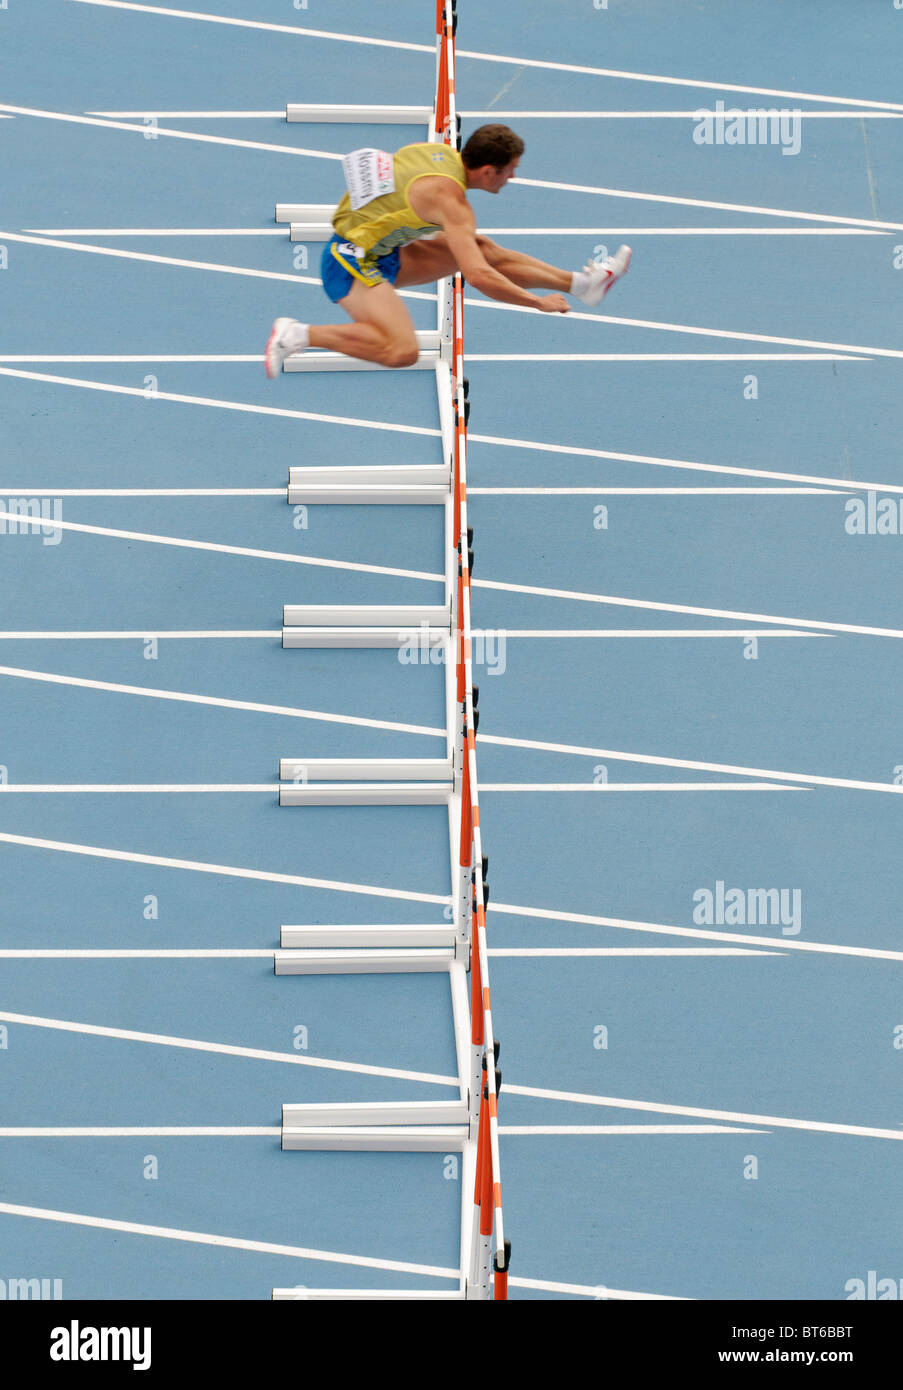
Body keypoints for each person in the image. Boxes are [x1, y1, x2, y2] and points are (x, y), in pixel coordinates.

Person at [265, 123, 630, 376]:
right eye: (509, 171)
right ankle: (297, 334)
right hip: (349, 261)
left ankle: (584, 285)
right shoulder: (451, 202)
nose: (513, 178)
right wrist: (537, 302)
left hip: (383, 250)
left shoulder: (437, 154)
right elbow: (479, 278)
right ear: (487, 171)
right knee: (402, 351)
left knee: (479, 247)